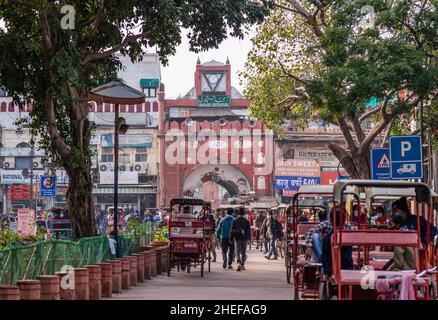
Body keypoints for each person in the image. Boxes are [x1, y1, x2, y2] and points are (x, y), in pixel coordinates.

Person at [321, 209, 353, 277]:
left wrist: (331, 273)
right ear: (344, 221)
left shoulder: (326, 238)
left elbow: (325, 259)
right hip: (346, 273)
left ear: (331, 221)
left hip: (330, 272)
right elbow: (347, 260)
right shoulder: (348, 238)